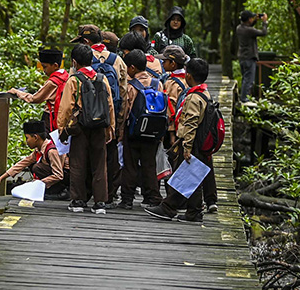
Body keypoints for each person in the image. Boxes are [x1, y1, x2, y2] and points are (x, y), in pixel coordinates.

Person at [145, 58, 212, 223]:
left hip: (191, 142)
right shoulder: (205, 93)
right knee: (192, 176)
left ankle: (169, 207)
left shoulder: (194, 98)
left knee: (182, 176)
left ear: (188, 76)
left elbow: (190, 123)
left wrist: (186, 147)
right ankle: (193, 212)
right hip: (200, 142)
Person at [71, 25, 127, 205]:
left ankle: (82, 197)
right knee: (105, 161)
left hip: (83, 119)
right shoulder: (117, 60)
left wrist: (65, 125)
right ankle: (106, 197)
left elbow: (72, 91)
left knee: (81, 159)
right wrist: (116, 122)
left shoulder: (82, 59)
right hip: (105, 119)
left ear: (86, 41)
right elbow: (123, 93)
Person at [57, 44, 115, 214]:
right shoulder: (102, 78)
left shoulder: (74, 80)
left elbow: (66, 107)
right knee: (99, 164)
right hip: (99, 126)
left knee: (78, 163)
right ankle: (100, 202)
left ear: (74, 62)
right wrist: (110, 127)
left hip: (80, 126)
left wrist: (62, 128)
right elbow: (109, 104)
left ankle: (78, 201)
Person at [117, 49, 166, 210]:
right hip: (153, 132)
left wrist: (120, 131)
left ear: (132, 68)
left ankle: (127, 199)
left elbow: (125, 111)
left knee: (130, 166)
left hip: (134, 133)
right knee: (149, 164)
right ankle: (153, 196)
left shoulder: (131, 87)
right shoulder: (157, 83)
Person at [0, 120, 67, 198]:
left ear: (35, 137)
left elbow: (59, 175)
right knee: (32, 164)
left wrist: (38, 183)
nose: (26, 141)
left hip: (65, 178)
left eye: (27, 138)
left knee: (37, 167)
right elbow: (22, 164)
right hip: (55, 176)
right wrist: (1, 178)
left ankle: (58, 191)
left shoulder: (51, 151)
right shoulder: (38, 150)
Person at [7, 49, 70, 132]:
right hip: (63, 116)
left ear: (55, 65)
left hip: (51, 117)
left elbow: (34, 99)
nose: (44, 70)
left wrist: (17, 92)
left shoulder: (52, 82)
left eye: (45, 67)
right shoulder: (67, 76)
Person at [156, 45, 188, 146]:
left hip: (174, 131)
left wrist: (172, 135)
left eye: (165, 61)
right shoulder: (188, 78)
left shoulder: (171, 83)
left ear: (173, 64)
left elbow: (171, 109)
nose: (162, 63)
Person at [236, 10, 268, 102]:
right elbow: (263, 32)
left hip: (242, 57)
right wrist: (265, 22)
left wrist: (255, 20)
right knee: (249, 79)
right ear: (249, 19)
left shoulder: (239, 28)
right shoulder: (249, 30)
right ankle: (244, 98)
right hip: (249, 57)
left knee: (245, 78)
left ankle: (244, 97)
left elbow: (249, 27)